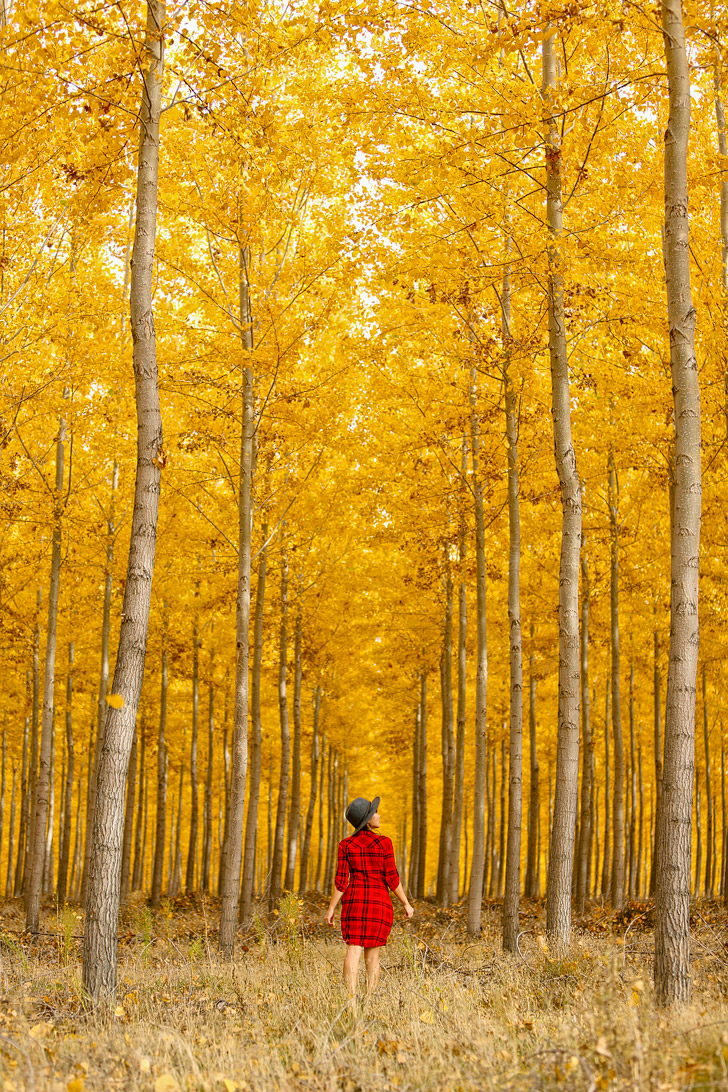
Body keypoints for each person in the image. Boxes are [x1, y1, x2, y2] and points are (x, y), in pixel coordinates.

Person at [325, 796, 414, 1003]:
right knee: (372, 956)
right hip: (379, 904)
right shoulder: (384, 843)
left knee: (352, 950)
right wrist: (405, 903)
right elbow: (391, 877)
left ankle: (350, 1001)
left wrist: (331, 909)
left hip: (354, 903)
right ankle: (369, 1000)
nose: (379, 814)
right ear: (367, 819)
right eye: (375, 812)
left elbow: (341, 881)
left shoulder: (345, 845)